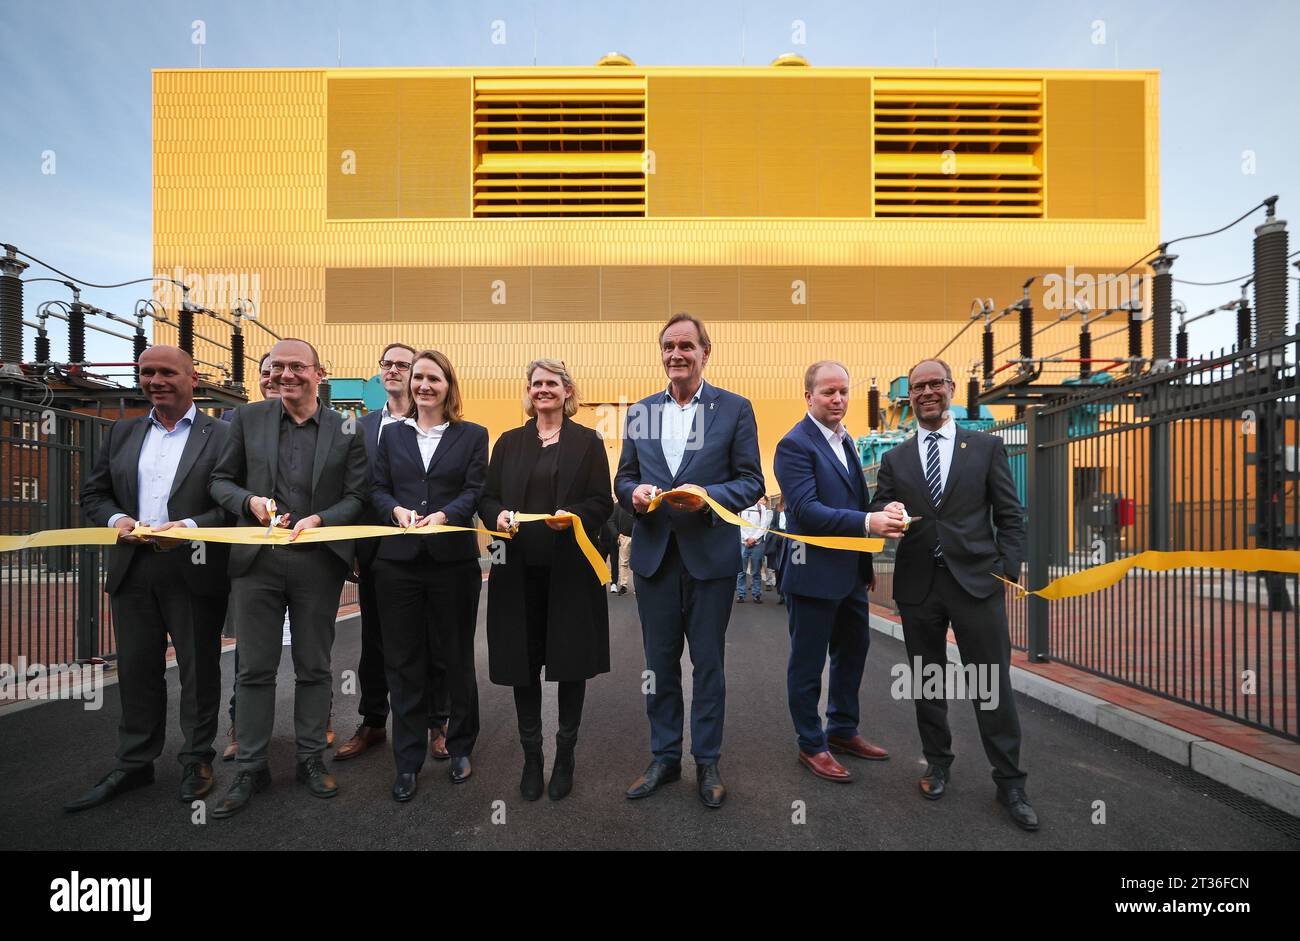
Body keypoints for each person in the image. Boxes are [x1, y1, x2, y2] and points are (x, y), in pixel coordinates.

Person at [871, 357, 1035, 830]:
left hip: (976, 583)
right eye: (918, 386)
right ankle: (937, 763)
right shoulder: (895, 458)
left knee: (992, 684)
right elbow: (880, 505)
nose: (926, 392)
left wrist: (1006, 569)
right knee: (927, 681)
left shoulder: (984, 447)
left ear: (949, 389)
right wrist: (889, 508)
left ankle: (1010, 782)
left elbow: (1010, 514)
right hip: (919, 586)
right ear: (911, 397)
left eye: (934, 384)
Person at [208, 337, 368, 818]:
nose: (286, 374)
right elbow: (220, 481)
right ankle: (251, 768)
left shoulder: (347, 427)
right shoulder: (246, 419)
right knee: (254, 669)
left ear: (320, 373)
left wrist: (321, 520)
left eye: (297, 366)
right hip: (256, 563)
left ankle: (309, 761)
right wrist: (248, 503)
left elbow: (358, 495)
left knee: (315, 667)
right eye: (277, 366)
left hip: (317, 563)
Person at [68, 345, 232, 811]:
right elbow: (94, 493)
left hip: (193, 568)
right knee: (138, 669)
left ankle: (197, 759)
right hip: (133, 567)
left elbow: (231, 503)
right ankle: (134, 762)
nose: (155, 380)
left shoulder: (221, 435)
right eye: (146, 373)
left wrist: (191, 528)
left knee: (199, 670)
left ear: (192, 377)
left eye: (166, 372)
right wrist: (118, 520)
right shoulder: (121, 433)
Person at [615, 313, 764, 808]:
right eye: (668, 347)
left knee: (708, 665)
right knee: (658, 665)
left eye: (686, 346)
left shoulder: (735, 409)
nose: (676, 354)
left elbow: (751, 481)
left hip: (709, 559)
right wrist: (633, 492)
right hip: (656, 559)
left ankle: (707, 762)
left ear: (705, 352)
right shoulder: (640, 412)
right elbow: (623, 479)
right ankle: (663, 757)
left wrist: (710, 494)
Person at [481, 360, 611, 802]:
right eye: (536, 383)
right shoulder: (509, 442)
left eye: (551, 383)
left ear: (567, 390)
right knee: (523, 665)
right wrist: (495, 514)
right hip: (517, 573)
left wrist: (576, 518)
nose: (543, 390)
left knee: (570, 663)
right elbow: (488, 495)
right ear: (529, 391)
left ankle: (566, 755)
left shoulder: (589, 442)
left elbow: (601, 502)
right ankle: (532, 757)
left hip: (571, 572)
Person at [774, 361, 906, 783]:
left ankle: (843, 730)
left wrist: (880, 514)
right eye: (829, 392)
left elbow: (851, 504)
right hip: (811, 575)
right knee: (808, 663)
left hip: (849, 575)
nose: (838, 399)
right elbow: (807, 511)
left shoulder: (845, 441)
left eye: (843, 391)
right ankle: (811, 744)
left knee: (853, 653)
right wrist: (868, 524)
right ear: (808, 396)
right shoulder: (794, 445)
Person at [369, 350, 488, 799]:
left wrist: (444, 514)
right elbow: (377, 488)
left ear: (447, 385)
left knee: (455, 658)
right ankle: (407, 761)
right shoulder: (391, 437)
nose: (422, 385)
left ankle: (460, 746)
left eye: (432, 378)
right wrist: (394, 508)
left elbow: (477, 489)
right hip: (397, 565)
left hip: (451, 564)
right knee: (403, 664)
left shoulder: (472, 435)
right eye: (417, 377)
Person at [335, 343, 453, 765]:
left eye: (404, 365)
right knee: (377, 642)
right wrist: (349, 547)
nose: (394, 371)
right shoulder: (360, 427)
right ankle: (372, 721)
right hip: (376, 551)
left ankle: (437, 722)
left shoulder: (435, 424)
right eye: (387, 364)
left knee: (433, 640)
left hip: (431, 550)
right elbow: (353, 489)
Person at [735, 496, 769, 603]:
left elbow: (763, 525)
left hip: (757, 543)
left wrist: (754, 538)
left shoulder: (761, 508)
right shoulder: (740, 507)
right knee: (741, 571)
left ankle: (756, 594)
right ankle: (741, 594)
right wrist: (746, 538)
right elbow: (737, 524)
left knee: (756, 571)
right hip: (743, 543)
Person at [763, 495, 784, 594]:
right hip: (778, 540)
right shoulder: (778, 507)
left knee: (792, 566)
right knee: (777, 567)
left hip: (792, 540)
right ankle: (780, 592)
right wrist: (776, 533)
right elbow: (773, 525)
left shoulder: (795, 507)